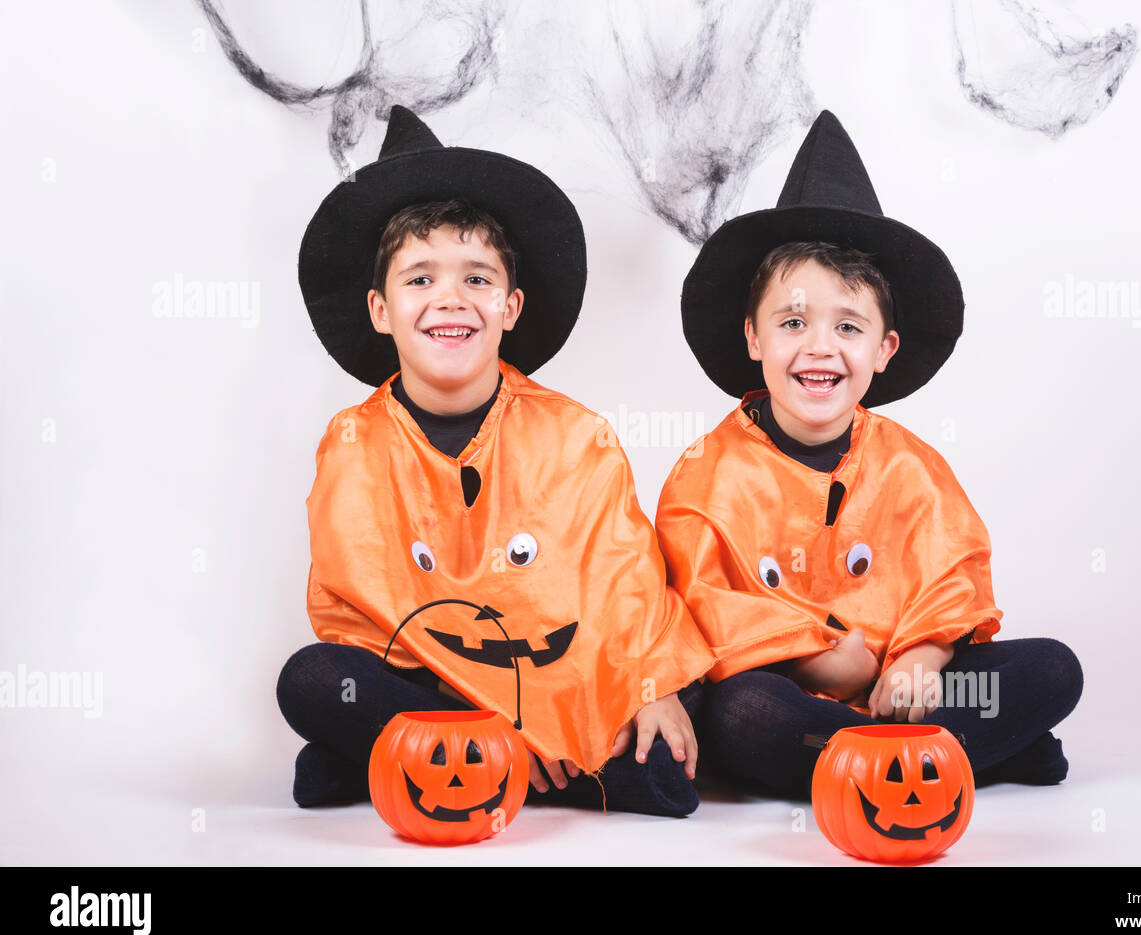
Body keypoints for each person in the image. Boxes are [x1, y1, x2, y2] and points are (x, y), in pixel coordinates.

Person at [277, 105, 715, 817]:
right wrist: (502, 711)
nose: (450, 298)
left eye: (477, 280)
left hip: (570, 675)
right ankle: (544, 767)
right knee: (315, 679)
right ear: (380, 309)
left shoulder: (577, 434)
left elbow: (622, 578)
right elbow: (359, 599)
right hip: (433, 677)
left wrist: (649, 684)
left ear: (511, 306)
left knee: (679, 717)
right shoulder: (351, 444)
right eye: (419, 279)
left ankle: (414, 759)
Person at [655, 110, 1083, 799]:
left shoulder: (911, 466)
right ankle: (958, 758)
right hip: (790, 692)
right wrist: (821, 664)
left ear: (883, 350)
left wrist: (921, 653)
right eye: (793, 322)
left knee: (1055, 669)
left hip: (909, 687)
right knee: (744, 717)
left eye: (848, 326)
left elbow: (954, 574)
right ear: (753, 338)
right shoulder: (708, 473)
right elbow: (699, 602)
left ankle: (872, 762)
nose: (819, 347)